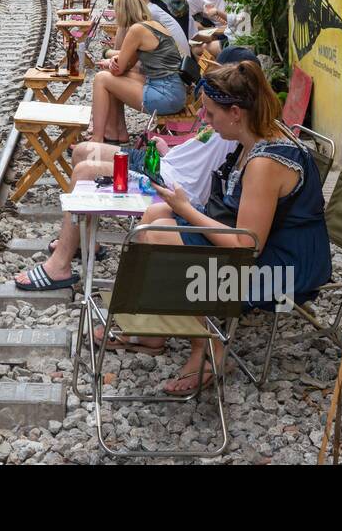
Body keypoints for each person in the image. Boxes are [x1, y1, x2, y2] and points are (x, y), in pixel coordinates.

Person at [97, 60, 329, 393]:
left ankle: (206, 347)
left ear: (236, 112)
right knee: (154, 216)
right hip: (264, 257)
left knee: (163, 231)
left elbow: (246, 247)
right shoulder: (252, 140)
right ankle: (150, 329)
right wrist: (177, 209)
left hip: (281, 276)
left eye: (210, 113)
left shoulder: (266, 162)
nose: (204, 121)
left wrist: (186, 210)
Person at [14, 47, 256, 293]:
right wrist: (169, 150)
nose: (207, 115)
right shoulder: (225, 121)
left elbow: (208, 182)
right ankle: (83, 241)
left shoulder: (233, 131)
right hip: (160, 162)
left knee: (86, 170)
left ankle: (59, 266)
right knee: (83, 151)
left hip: (163, 179)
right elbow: (200, 158)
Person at [89, 0, 187, 143]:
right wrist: (115, 63)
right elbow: (127, 65)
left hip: (165, 95)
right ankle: (118, 132)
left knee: (101, 79)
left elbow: (119, 68)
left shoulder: (136, 30)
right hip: (174, 90)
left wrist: (113, 63)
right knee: (115, 77)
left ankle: (97, 138)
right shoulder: (152, 24)